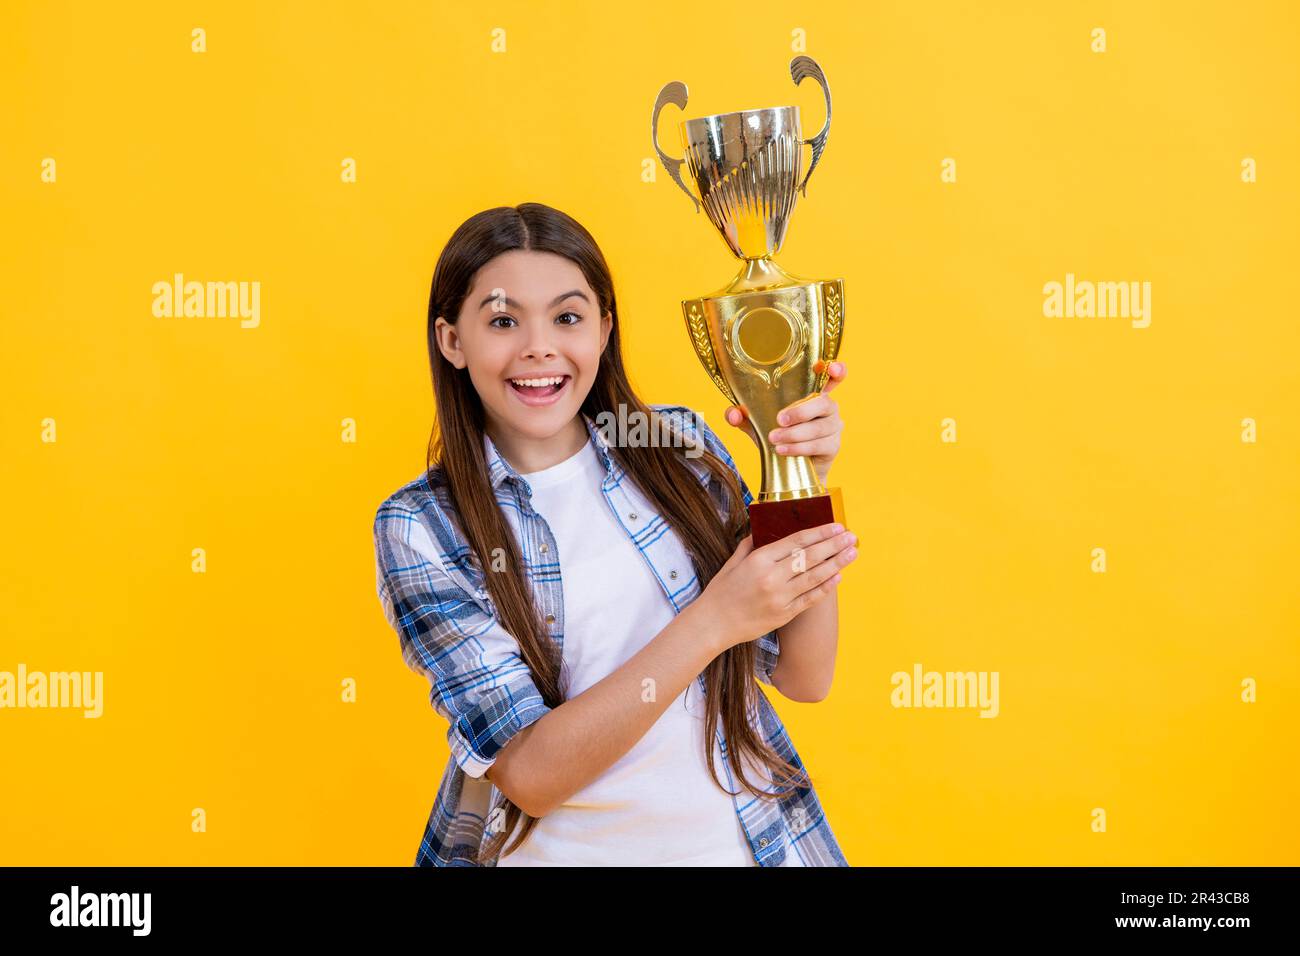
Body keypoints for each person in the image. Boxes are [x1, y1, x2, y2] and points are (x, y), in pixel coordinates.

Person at [372, 202, 857, 866]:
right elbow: (531, 776)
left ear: (603, 330)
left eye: (567, 317)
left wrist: (801, 473)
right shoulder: (420, 527)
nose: (539, 347)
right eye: (503, 321)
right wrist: (713, 621)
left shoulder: (678, 446)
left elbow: (805, 674)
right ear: (452, 340)